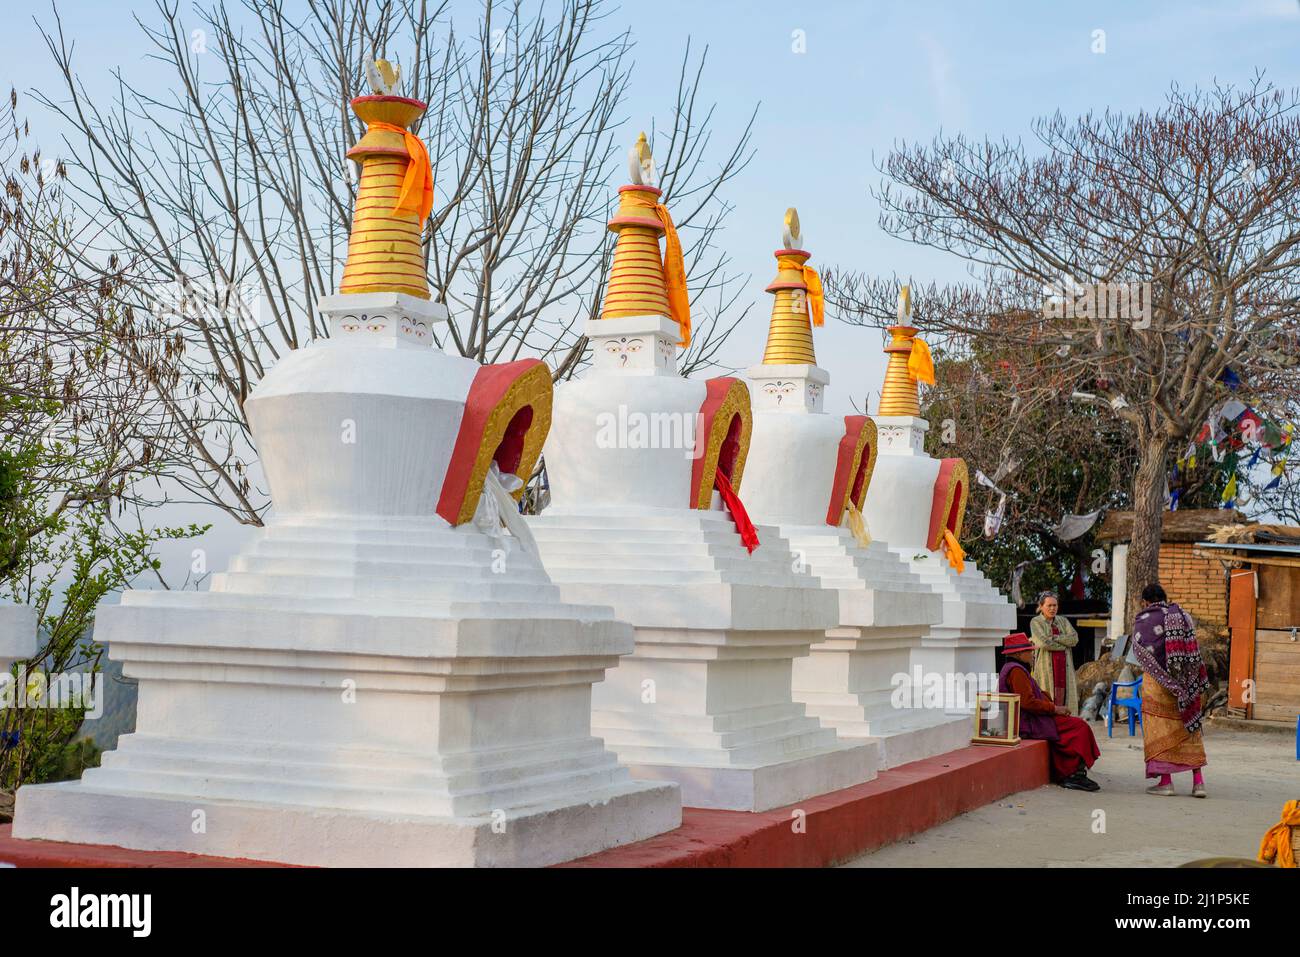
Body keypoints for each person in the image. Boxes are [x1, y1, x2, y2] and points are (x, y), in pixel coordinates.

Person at [1131, 583, 1209, 797]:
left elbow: (1139, 653)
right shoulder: (1183, 616)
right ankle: (1198, 783)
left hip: (1157, 685)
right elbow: (1193, 650)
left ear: (1145, 601)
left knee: (1160, 730)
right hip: (1186, 683)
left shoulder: (1144, 620)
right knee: (1189, 728)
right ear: (1164, 598)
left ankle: (1166, 783)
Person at [999, 632, 1101, 791]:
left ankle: (1074, 772)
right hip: (1029, 721)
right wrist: (1054, 709)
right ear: (1018, 654)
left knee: (1075, 725)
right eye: (1029, 651)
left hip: (1034, 716)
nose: (1032, 654)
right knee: (1079, 727)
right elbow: (1028, 702)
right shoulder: (1016, 671)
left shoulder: (1016, 668)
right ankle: (1072, 774)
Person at [1029, 591, 1079, 714]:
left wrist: (1055, 638)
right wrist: (1064, 645)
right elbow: (1043, 643)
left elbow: (1074, 639)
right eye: (1049, 605)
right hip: (1046, 668)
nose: (1052, 608)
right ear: (1041, 606)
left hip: (1064, 668)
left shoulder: (1063, 621)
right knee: (1048, 698)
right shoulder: (1036, 622)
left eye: (1055, 605)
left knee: (1065, 700)